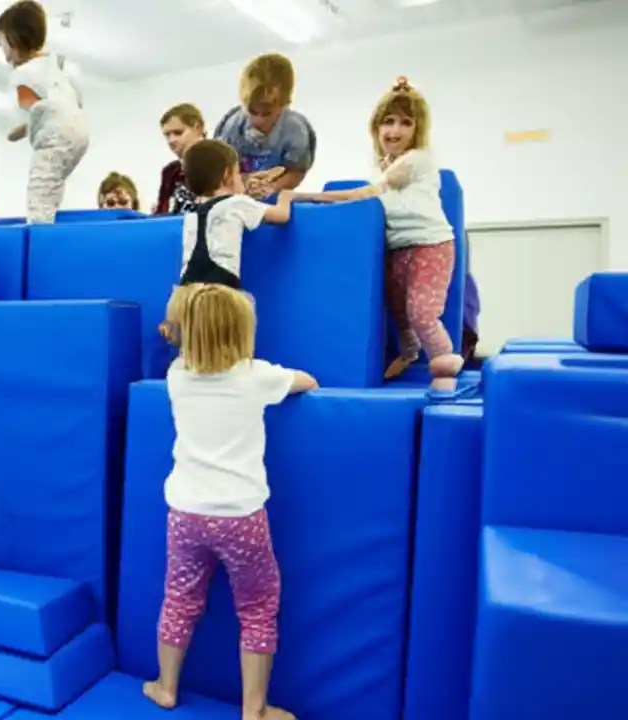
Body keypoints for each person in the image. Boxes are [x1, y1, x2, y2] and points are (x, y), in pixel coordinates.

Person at [145, 283, 316, 718]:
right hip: (240, 517)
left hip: (185, 513)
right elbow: (306, 381)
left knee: (179, 599)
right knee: (258, 608)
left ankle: (166, 687)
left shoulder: (177, 376)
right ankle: (253, 710)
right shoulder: (254, 376)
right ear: (242, 333)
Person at [289, 77, 462, 392]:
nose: (394, 130)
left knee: (422, 314)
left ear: (417, 130)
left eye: (405, 123)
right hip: (398, 247)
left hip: (430, 245)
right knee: (397, 308)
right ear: (376, 127)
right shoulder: (385, 165)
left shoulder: (416, 159)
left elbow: (368, 194)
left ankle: (445, 367)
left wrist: (308, 196)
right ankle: (409, 353)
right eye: (388, 122)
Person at [0, 0, 88, 224]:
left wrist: (18, 130)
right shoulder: (56, 66)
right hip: (79, 132)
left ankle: (39, 238)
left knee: (38, 193)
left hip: (54, 137)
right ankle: (49, 222)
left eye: (2, 45)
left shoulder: (22, 74)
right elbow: (75, 99)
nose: (4, 53)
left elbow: (29, 108)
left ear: (13, 39)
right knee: (52, 186)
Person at [176, 140, 291, 290]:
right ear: (227, 174)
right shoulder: (237, 203)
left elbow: (223, 207)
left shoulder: (192, 213)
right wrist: (286, 196)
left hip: (188, 289)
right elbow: (282, 216)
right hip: (221, 286)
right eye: (238, 173)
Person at [213, 54, 316, 200]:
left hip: (276, 197)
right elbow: (220, 172)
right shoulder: (231, 127)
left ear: (283, 105)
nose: (258, 120)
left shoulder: (295, 130)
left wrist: (272, 188)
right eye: (252, 112)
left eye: (267, 114)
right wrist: (245, 181)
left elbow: (297, 171)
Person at [155, 104, 207, 214]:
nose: (171, 140)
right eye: (167, 135)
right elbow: (162, 213)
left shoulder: (221, 162)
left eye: (178, 133)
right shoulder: (169, 172)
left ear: (198, 128)